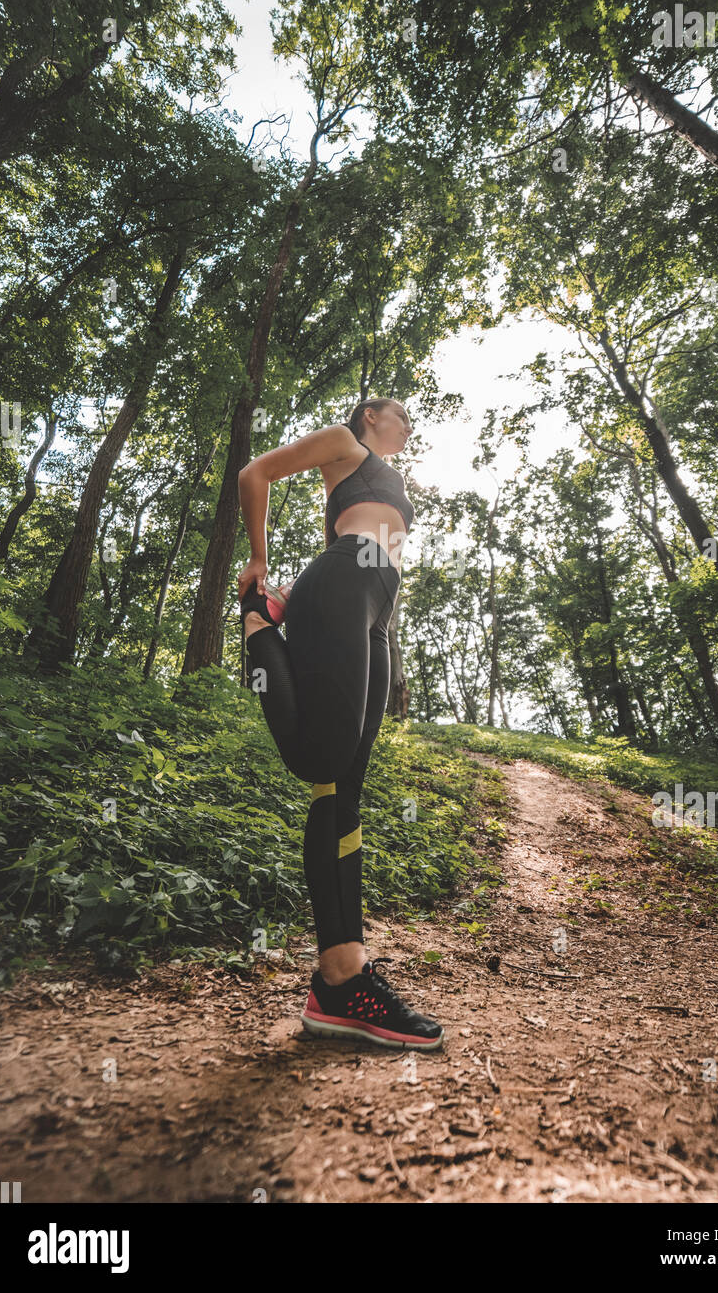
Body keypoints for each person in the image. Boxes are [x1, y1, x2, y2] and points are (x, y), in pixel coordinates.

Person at [237, 397, 444, 1051]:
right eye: (403, 415)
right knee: (320, 762)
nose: (410, 426)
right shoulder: (345, 446)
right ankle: (255, 630)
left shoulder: (386, 478)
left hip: (374, 612)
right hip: (347, 586)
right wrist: (258, 564)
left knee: (341, 790)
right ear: (373, 414)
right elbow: (254, 473)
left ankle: (339, 982)